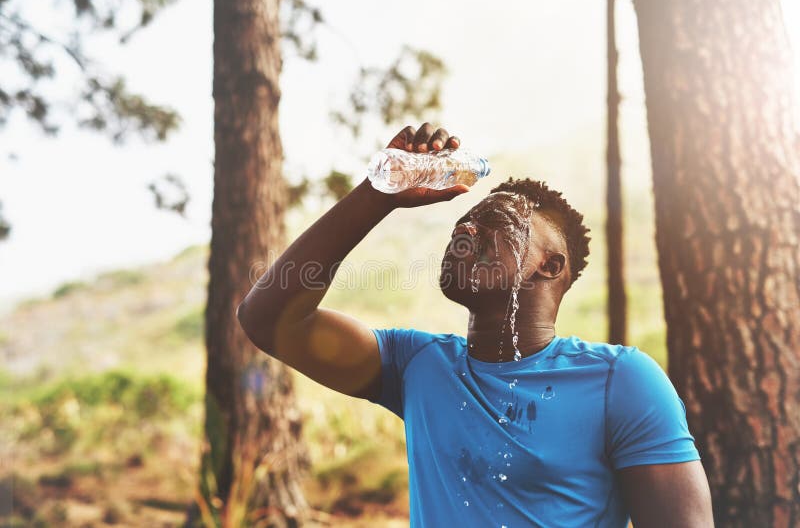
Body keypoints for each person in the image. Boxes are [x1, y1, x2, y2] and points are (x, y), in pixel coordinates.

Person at [236, 123, 714, 527]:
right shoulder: (416, 367)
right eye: (464, 221)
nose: (466, 231)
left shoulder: (621, 380)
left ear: (549, 265)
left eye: (497, 222)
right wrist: (377, 195)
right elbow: (268, 320)